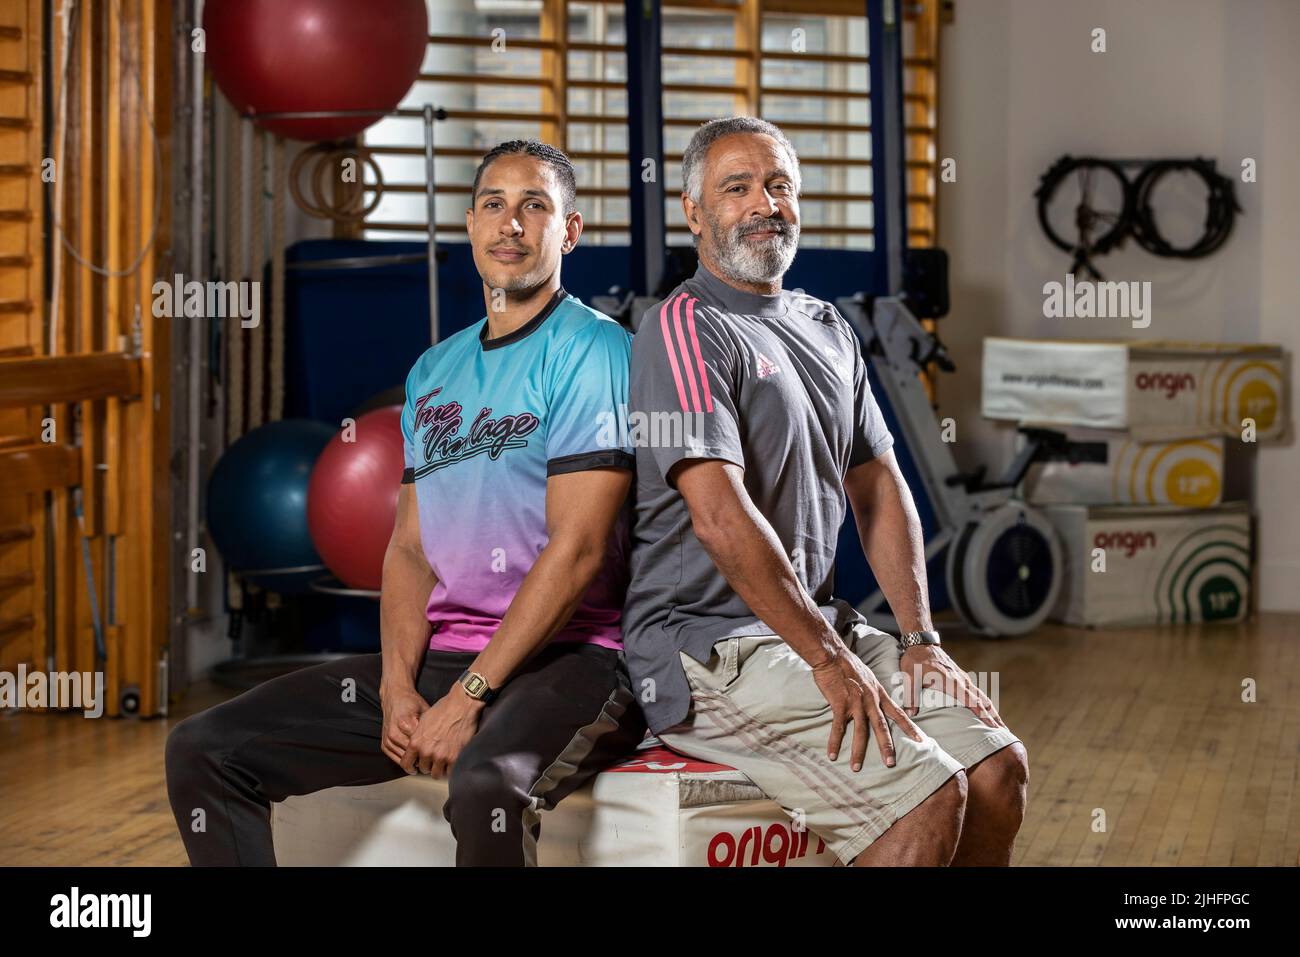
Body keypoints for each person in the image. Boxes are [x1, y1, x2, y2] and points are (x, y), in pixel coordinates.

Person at [166, 140, 647, 867]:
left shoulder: (595, 351)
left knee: (487, 783)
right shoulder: (434, 369)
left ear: (569, 232)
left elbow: (577, 548)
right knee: (205, 748)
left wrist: (471, 696)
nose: (510, 224)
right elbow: (410, 548)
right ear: (470, 224)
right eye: (494, 205)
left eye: (534, 206)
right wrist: (395, 685)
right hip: (443, 654)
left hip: (572, 659)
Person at [623, 116, 1029, 867]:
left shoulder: (827, 326)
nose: (764, 204)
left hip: (816, 627)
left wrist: (919, 641)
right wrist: (826, 657)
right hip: (707, 647)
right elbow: (717, 515)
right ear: (693, 212)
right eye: (737, 187)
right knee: (929, 795)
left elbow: (877, 485)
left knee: (998, 772)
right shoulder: (682, 328)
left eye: (779, 185)